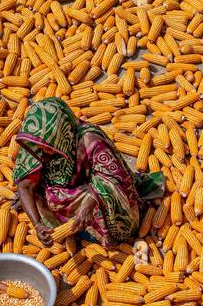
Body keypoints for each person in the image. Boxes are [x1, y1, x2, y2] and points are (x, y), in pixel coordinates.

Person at [11, 97, 164, 247]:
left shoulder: (90, 139)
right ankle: (63, 225)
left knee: (111, 199)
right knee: (36, 195)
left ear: (63, 132)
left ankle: (98, 232)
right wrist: (37, 224)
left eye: (50, 144)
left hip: (89, 190)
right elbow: (24, 186)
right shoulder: (36, 142)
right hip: (60, 192)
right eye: (42, 144)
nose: (44, 149)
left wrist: (90, 203)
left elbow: (115, 180)